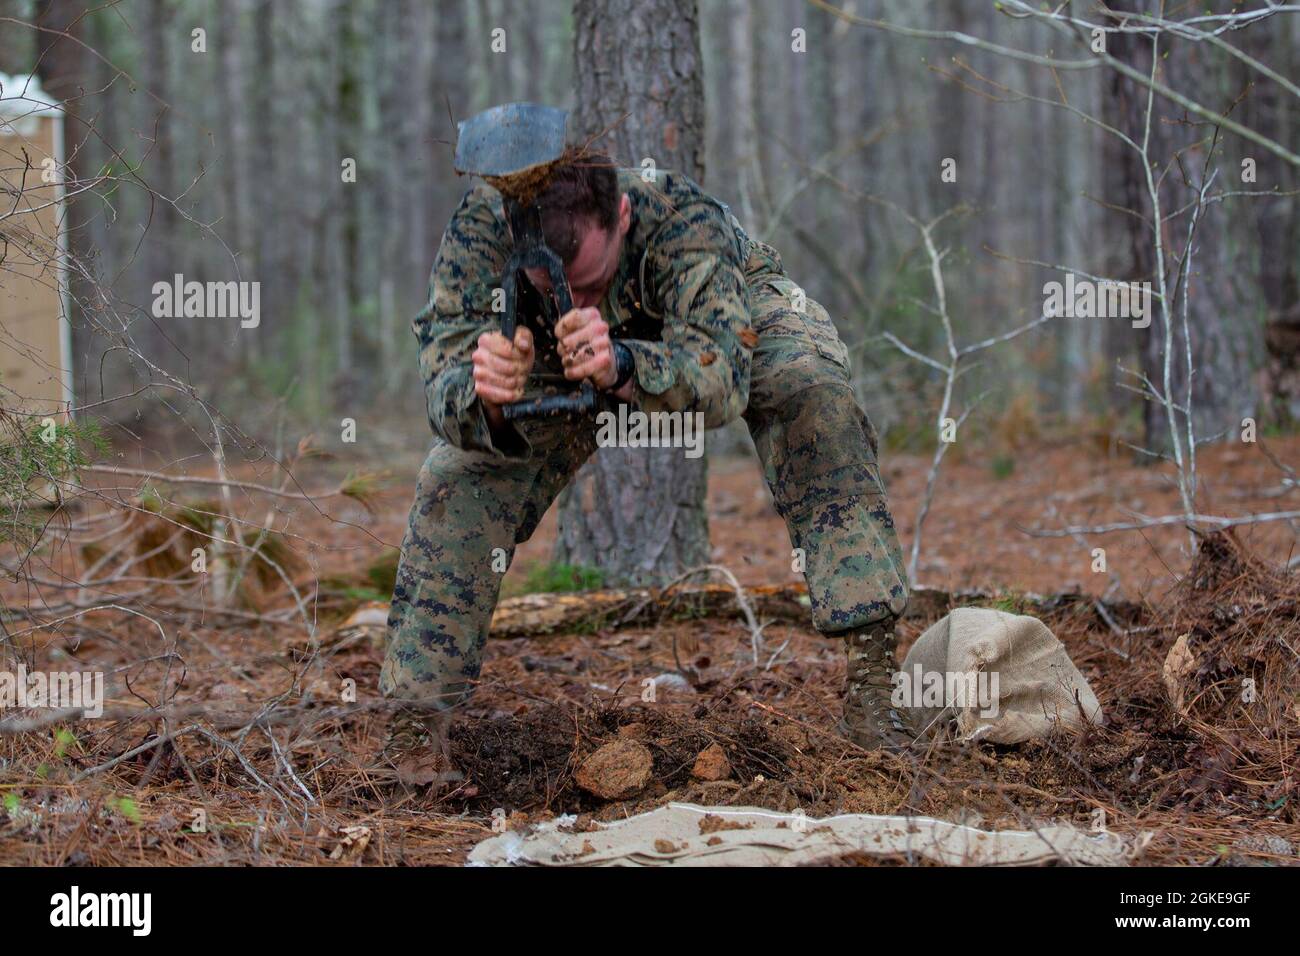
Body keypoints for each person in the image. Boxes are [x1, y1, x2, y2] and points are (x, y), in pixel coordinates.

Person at [380, 144, 911, 786]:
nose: (579, 300)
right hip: (552, 353)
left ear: (623, 215)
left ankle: (876, 693)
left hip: (720, 324)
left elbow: (721, 376)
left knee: (812, 394)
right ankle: (414, 725)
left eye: (590, 281)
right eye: (557, 286)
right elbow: (441, 379)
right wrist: (486, 396)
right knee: (454, 477)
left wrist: (623, 365)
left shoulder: (683, 217)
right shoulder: (482, 230)